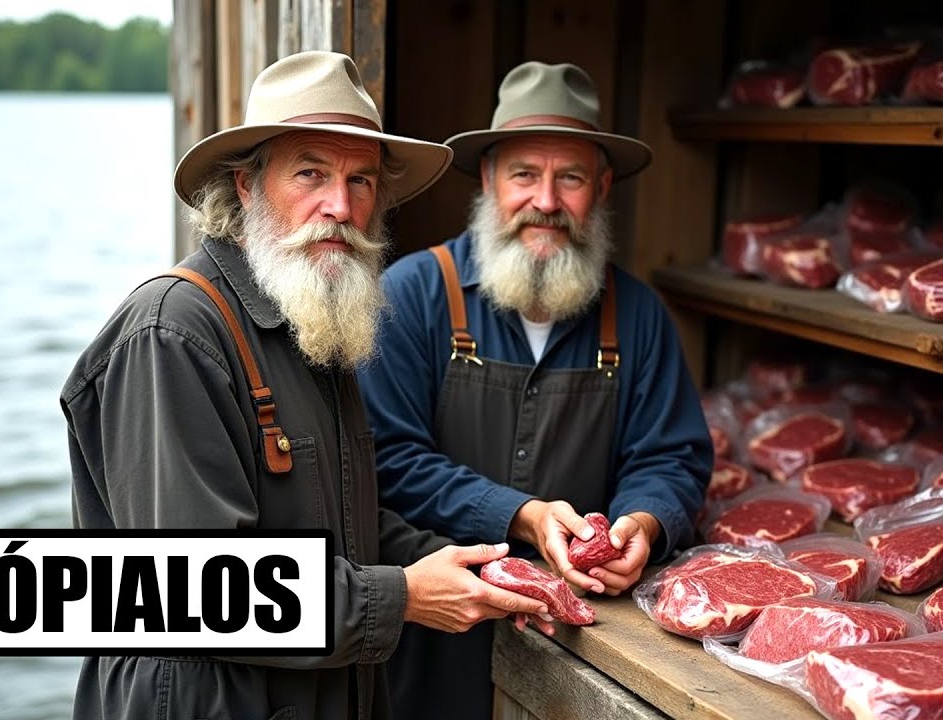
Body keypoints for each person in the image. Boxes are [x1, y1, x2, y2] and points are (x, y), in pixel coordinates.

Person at [61, 51, 554, 720]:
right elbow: (201, 591)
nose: (340, 206)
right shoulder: (172, 332)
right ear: (246, 185)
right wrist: (403, 597)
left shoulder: (312, 317)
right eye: (310, 174)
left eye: (361, 181)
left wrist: (476, 563)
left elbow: (342, 520)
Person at [356, 61, 713, 719]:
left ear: (601, 187)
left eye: (570, 177)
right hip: (433, 637)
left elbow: (671, 457)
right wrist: (522, 515)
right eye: (524, 174)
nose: (545, 201)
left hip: (573, 650)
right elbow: (386, 459)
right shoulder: (412, 295)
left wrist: (643, 522)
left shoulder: (636, 314)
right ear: (489, 180)